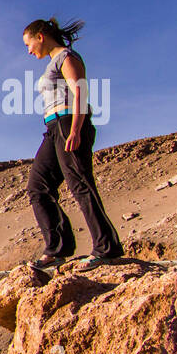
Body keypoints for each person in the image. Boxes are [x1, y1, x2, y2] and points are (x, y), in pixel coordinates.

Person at [21, 17, 123, 271]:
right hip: (53, 128)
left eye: (28, 43)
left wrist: (76, 129)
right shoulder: (51, 64)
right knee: (38, 186)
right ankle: (58, 249)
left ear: (41, 36)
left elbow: (80, 91)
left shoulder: (66, 56)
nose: (28, 49)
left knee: (80, 184)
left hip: (70, 123)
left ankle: (105, 248)